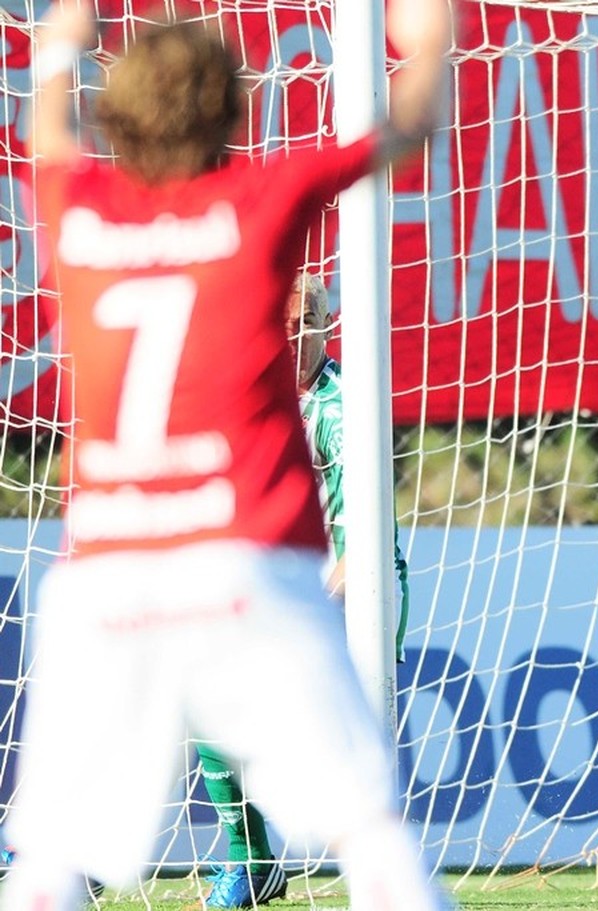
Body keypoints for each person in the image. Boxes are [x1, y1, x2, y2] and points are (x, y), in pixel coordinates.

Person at [4, 0, 452, 908]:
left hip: (109, 573)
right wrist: (428, 35)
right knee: (370, 830)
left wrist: (61, 42)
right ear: (234, 115)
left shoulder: (76, 205)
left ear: (117, 115)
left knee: (49, 857)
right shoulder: (261, 202)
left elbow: (45, 127)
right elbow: (410, 125)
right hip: (247, 557)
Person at [195, 273, 412, 908]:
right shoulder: (244, 398)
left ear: (327, 323)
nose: (294, 334)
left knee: (343, 752)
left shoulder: (340, 414)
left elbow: (362, 550)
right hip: (283, 588)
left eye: (307, 320)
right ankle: (251, 863)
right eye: (283, 321)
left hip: (360, 591)